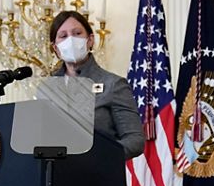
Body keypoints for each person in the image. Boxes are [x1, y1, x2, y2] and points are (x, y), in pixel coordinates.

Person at [48, 10, 145, 159]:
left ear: (90, 40)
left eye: (77, 33)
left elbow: (134, 141)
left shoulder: (113, 84)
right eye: (63, 36)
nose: (71, 40)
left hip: (99, 176)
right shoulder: (48, 87)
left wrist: (99, 157)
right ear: (56, 48)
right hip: (55, 178)